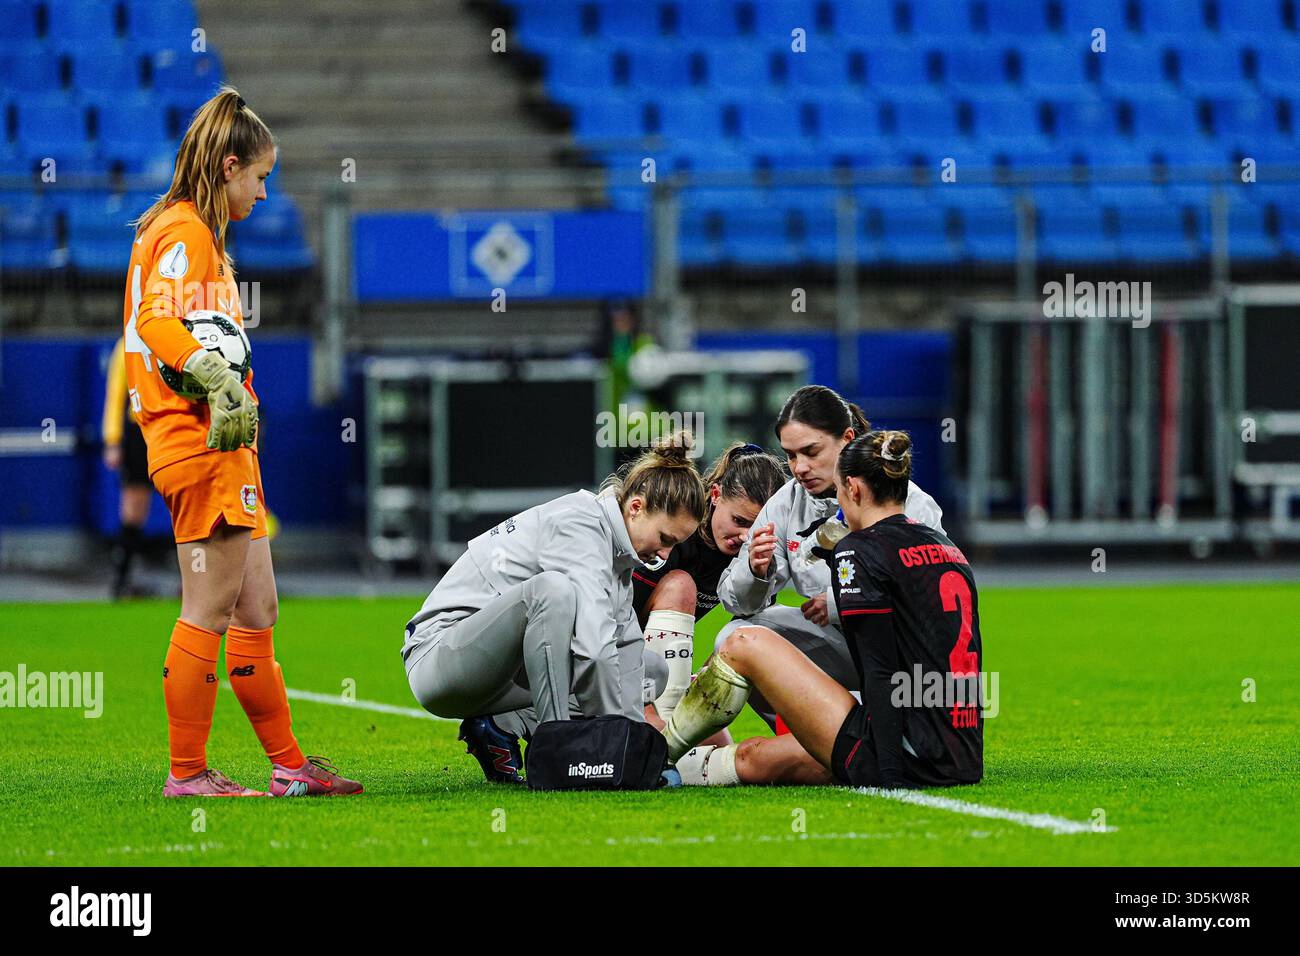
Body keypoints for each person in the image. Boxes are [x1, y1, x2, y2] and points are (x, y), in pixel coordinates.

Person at [126, 87, 361, 797]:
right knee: (208, 607)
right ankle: (187, 774)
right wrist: (209, 374)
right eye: (259, 177)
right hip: (196, 444)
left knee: (257, 610)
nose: (263, 193)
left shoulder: (180, 230)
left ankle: (290, 768)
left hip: (222, 447)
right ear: (229, 166)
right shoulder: (187, 231)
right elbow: (155, 319)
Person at [660, 430, 984, 789]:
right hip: (958, 751)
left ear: (854, 490)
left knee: (741, 653)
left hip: (896, 747)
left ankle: (659, 754)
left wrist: (888, 773)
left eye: (837, 493)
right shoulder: (945, 547)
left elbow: (879, 670)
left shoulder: (862, 549)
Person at [402, 432, 706, 783]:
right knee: (553, 592)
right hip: (440, 661)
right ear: (635, 507)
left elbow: (624, 656)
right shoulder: (579, 522)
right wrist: (609, 743)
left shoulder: (619, 552)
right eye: (666, 539)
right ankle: (556, 752)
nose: (666, 555)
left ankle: (501, 725)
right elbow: (593, 650)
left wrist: (629, 751)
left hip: (497, 675)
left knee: (649, 671)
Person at [714, 385, 944, 728]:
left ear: (847, 438)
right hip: (841, 645)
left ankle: (872, 719)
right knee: (737, 638)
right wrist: (755, 571)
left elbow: (933, 593)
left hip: (903, 651)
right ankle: (812, 738)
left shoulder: (909, 503)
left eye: (811, 451)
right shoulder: (787, 501)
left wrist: (839, 602)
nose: (800, 467)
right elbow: (737, 602)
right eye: (791, 455)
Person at [633, 441, 785, 728]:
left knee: (717, 756)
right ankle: (663, 723)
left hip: (659, 669)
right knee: (681, 585)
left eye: (753, 528)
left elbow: (746, 636)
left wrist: (700, 689)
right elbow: (618, 615)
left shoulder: (759, 554)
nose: (743, 536)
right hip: (609, 657)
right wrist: (646, 703)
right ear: (715, 495)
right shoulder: (676, 529)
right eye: (738, 520)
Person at [102, 336, 156, 600]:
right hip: (138, 432)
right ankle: (121, 579)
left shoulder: (173, 336)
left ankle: (196, 582)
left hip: (172, 428)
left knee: (186, 505)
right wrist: (112, 440)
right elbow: (115, 396)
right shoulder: (126, 346)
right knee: (135, 508)